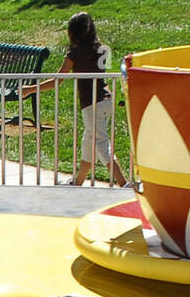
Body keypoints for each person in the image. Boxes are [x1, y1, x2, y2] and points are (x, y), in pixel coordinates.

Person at [22, 12, 128, 186]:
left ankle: (124, 184)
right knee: (89, 142)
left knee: (101, 144)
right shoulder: (103, 49)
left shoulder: (74, 53)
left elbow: (57, 80)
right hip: (106, 99)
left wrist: (30, 89)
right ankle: (78, 182)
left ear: (72, 32)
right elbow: (104, 75)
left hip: (91, 104)